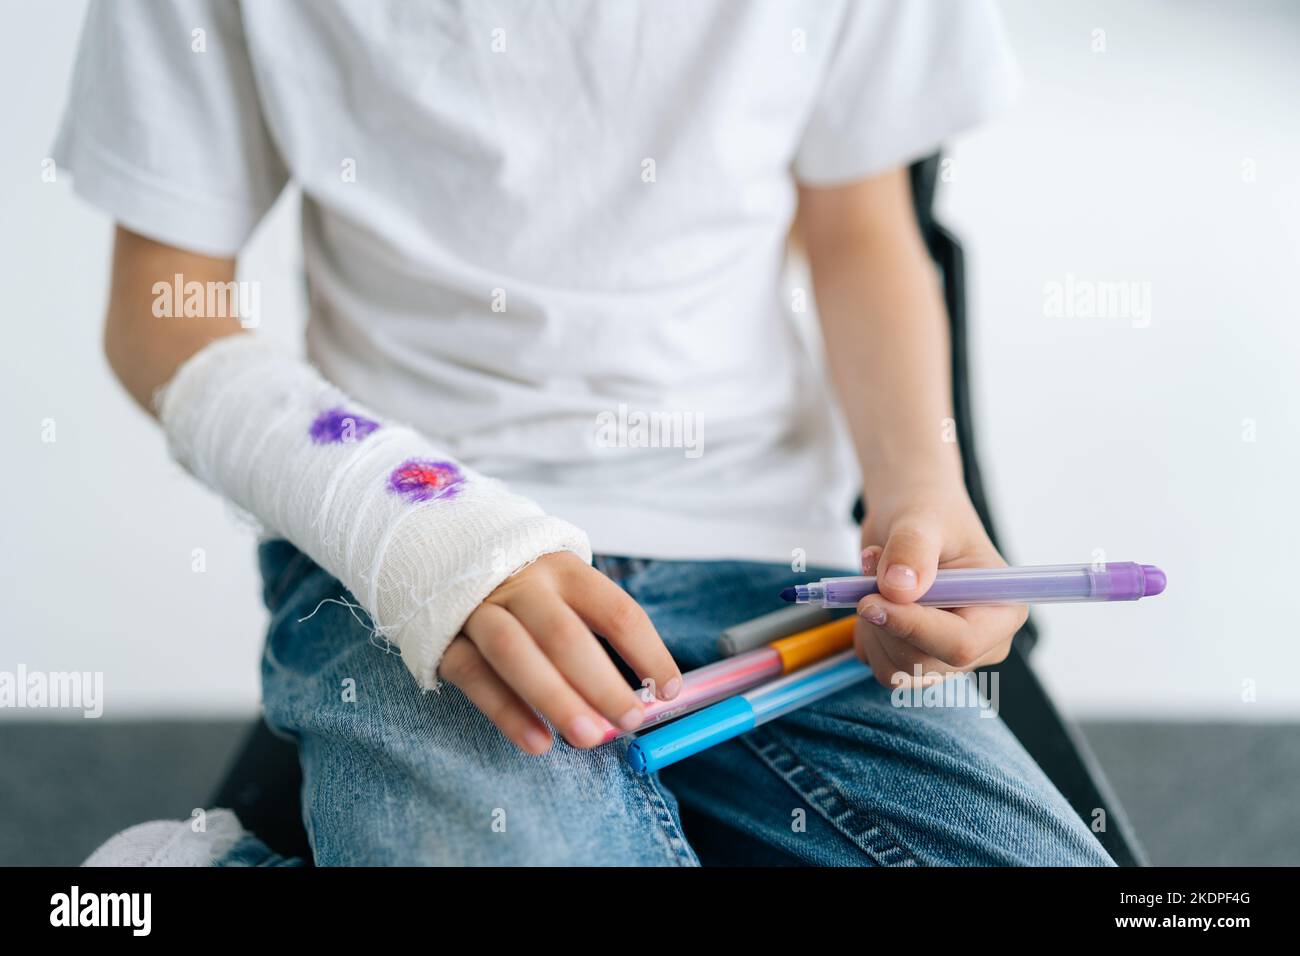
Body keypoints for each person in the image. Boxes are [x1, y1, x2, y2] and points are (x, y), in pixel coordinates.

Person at [60, 0, 1111, 866]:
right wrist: (422, 530)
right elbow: (161, 306)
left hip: (762, 550)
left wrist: (924, 491)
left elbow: (859, 226)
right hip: (413, 564)